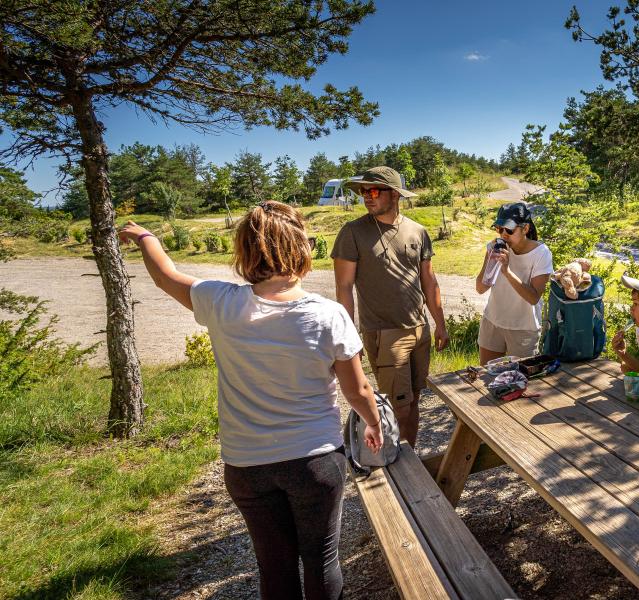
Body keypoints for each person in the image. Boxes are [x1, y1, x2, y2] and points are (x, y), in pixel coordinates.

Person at [117, 202, 382, 600]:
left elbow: (165, 275)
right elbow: (357, 391)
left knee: (274, 565)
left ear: (245, 251)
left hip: (246, 463)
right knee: (321, 559)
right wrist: (373, 423)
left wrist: (145, 236)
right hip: (314, 460)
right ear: (302, 249)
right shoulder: (328, 315)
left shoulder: (219, 301)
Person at [332, 166, 450, 448]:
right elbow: (344, 288)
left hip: (419, 329)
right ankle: (392, 461)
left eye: (373, 191)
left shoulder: (417, 231)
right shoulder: (352, 233)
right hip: (384, 334)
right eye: (363, 192)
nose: (366, 197)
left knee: (415, 400)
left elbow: (429, 281)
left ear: (395, 194)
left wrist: (440, 324)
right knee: (397, 408)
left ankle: (410, 457)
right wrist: (349, 337)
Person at [474, 202, 554, 363]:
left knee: (521, 376)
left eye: (509, 230)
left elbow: (533, 298)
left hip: (524, 328)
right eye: (499, 229)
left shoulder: (541, 253)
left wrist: (507, 271)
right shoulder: (495, 247)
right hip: (493, 321)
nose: (504, 234)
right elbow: (480, 288)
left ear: (525, 228)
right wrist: (491, 261)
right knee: (487, 374)